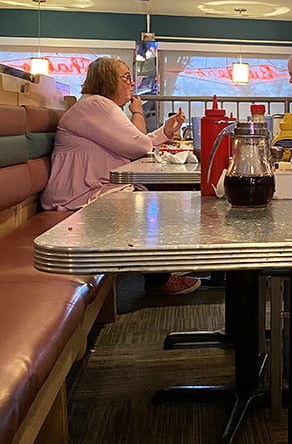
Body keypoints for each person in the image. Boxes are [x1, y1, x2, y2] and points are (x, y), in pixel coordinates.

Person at [41, 56, 200, 296]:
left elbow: (136, 143)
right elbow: (140, 146)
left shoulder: (96, 106)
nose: (132, 84)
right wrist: (159, 134)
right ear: (107, 80)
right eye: (126, 77)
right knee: (152, 203)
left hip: (86, 191)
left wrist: (165, 132)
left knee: (156, 198)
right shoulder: (96, 106)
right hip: (76, 198)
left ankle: (167, 268)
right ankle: (160, 277)